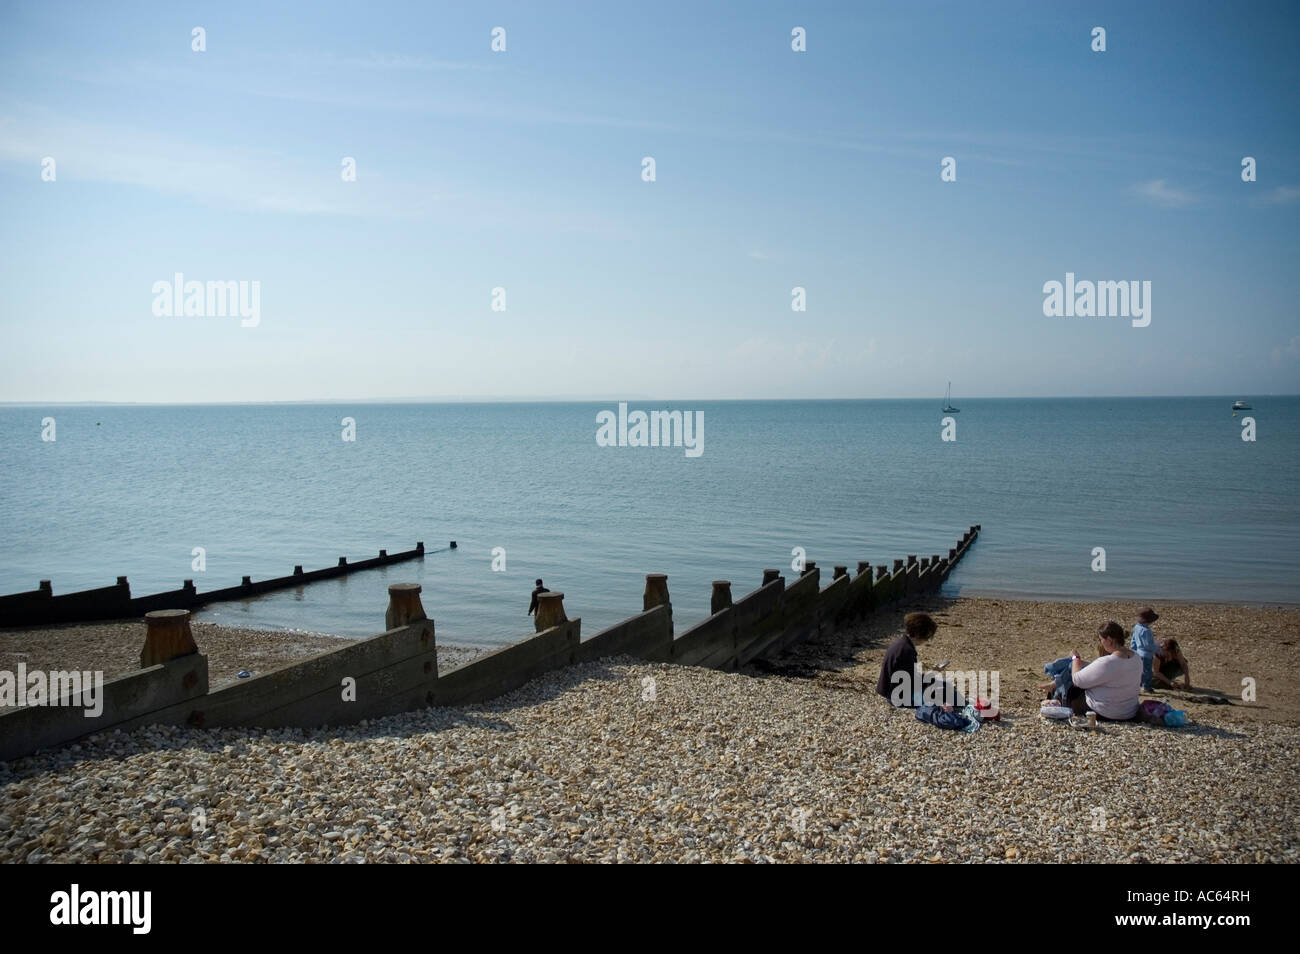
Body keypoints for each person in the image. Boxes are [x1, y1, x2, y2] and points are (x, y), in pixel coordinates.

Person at [876, 612, 964, 708]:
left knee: (941, 684)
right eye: (927, 637)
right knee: (943, 688)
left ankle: (962, 703)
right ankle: (965, 705)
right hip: (898, 697)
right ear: (920, 634)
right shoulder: (907, 651)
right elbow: (912, 683)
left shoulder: (900, 644)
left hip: (890, 691)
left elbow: (908, 677)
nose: (927, 640)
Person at [1058, 621, 1142, 720]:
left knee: (1068, 686)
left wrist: (1075, 658)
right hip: (1129, 711)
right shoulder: (1136, 657)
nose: (1100, 642)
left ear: (1109, 640)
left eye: (1101, 639)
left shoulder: (1108, 662)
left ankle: (1055, 694)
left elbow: (1077, 680)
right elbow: (1113, 672)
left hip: (1104, 712)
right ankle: (1053, 685)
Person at [1129, 607, 1160, 690]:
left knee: (1139, 670)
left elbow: (1133, 640)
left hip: (1138, 653)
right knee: (1147, 671)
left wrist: (1133, 650)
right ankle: (1146, 687)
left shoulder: (1136, 627)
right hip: (1146, 654)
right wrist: (1158, 649)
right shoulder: (1146, 631)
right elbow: (1148, 645)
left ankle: (1139, 684)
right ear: (1150, 620)